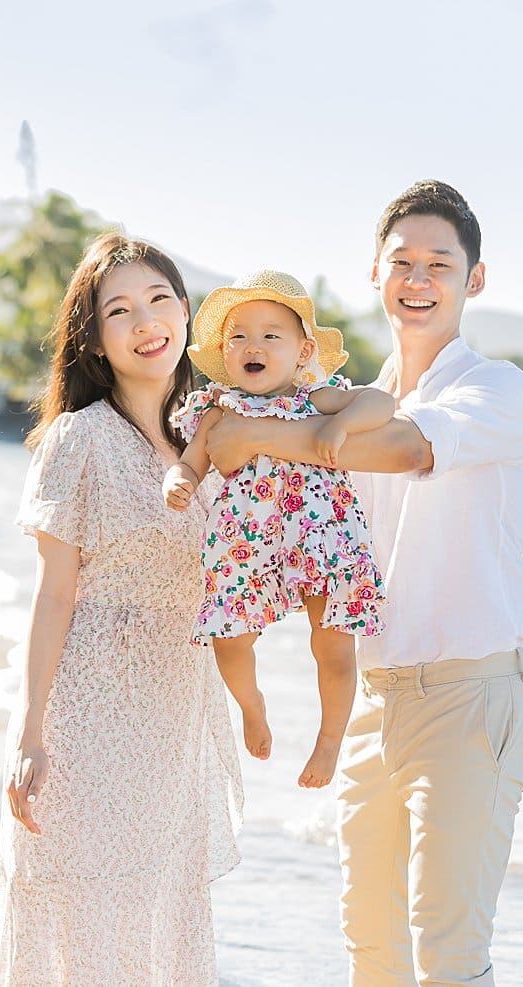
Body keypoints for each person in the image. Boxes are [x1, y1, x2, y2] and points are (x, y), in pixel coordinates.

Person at [204, 181, 523, 987]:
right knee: (372, 949)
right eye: (404, 262)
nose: (419, 279)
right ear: (376, 272)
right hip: (376, 699)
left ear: (476, 279)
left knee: (449, 953)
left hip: (474, 693)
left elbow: (404, 450)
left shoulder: (497, 389)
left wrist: (254, 432)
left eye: (440, 263)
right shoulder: (337, 398)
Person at [0, 233, 243, 987]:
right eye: (119, 310)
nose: (146, 321)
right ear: (95, 338)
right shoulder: (77, 437)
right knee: (79, 917)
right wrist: (29, 735)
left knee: (157, 911)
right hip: (88, 715)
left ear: (185, 312)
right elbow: (53, 595)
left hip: (175, 713)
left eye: (158, 300)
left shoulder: (211, 435)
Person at [162, 270, 395, 788]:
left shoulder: (317, 399)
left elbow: (384, 402)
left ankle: (330, 739)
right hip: (246, 540)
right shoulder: (218, 409)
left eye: (272, 335)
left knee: (332, 643)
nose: (254, 345)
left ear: (303, 349)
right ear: (225, 351)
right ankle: (252, 704)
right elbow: (190, 463)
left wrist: (341, 424)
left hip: (322, 534)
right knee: (229, 637)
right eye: (240, 335)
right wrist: (175, 482)